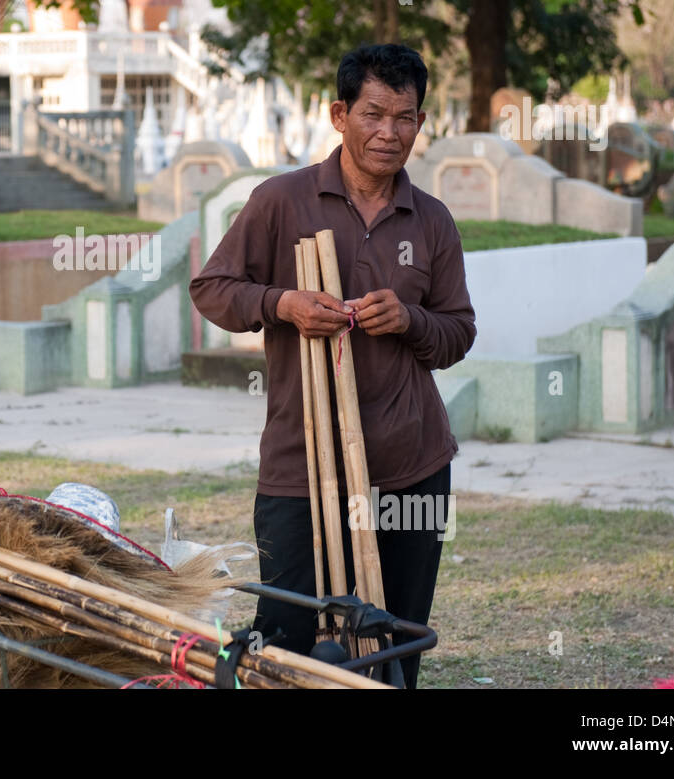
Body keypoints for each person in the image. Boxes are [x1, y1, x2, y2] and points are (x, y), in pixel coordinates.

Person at [188, 43, 475, 688]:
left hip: (409, 464)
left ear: (421, 124)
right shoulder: (281, 200)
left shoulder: (432, 220)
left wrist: (410, 319)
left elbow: (458, 333)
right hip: (302, 459)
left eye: (405, 118)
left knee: (393, 645)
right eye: (374, 114)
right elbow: (211, 289)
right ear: (339, 113)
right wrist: (281, 302)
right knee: (287, 638)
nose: (389, 132)